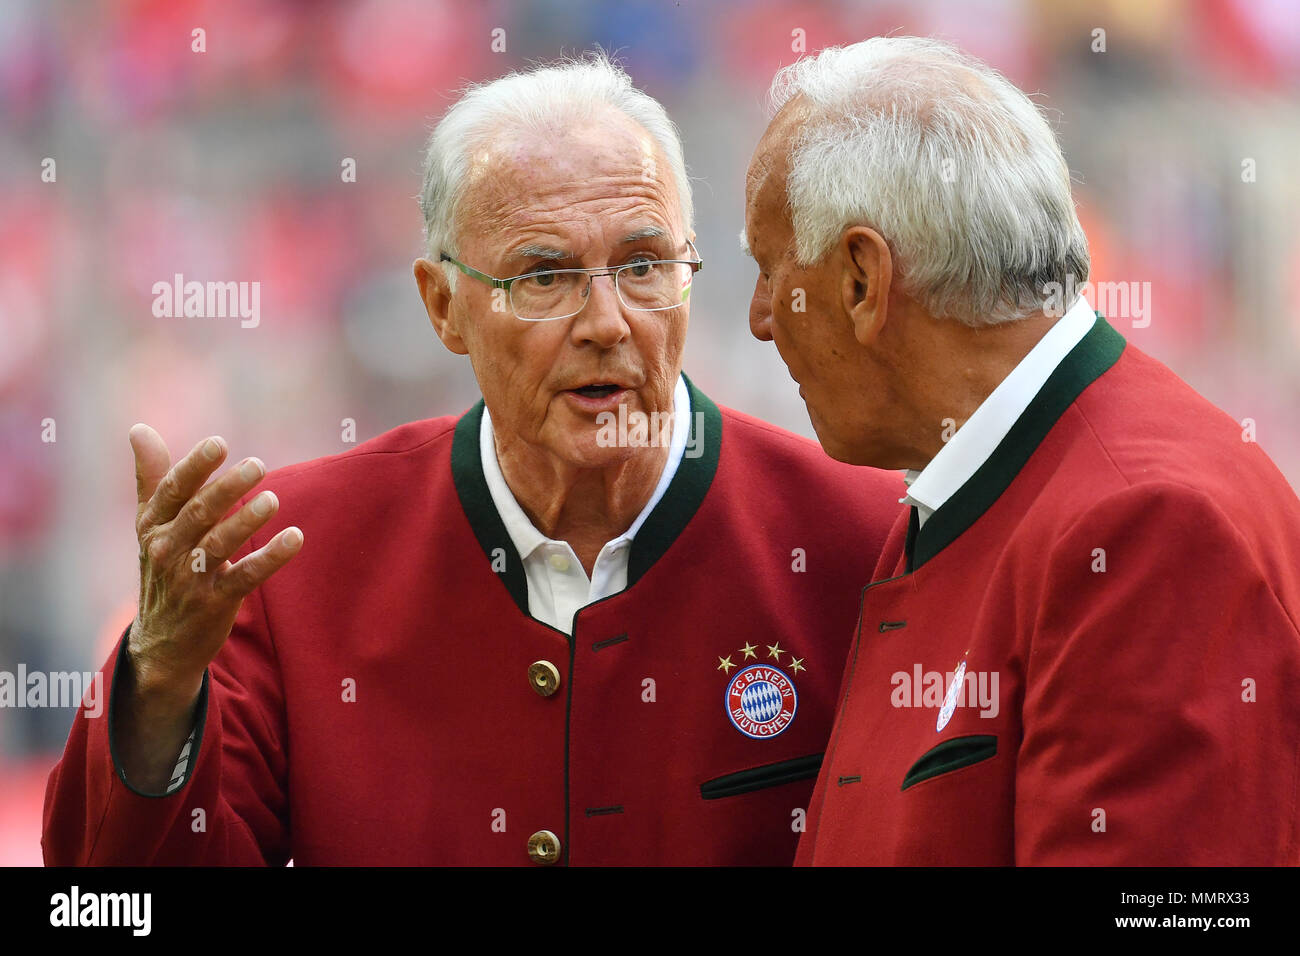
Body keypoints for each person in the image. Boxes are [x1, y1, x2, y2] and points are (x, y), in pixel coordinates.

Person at [43, 53, 903, 866]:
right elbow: (106, 907)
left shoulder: (859, 540)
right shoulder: (289, 561)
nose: (608, 321)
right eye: (544, 276)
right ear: (442, 305)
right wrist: (156, 674)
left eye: (644, 265)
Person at [743, 36, 1300, 865]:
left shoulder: (1146, 526)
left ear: (863, 278)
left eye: (770, 272)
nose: (759, 317)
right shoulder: (978, 475)